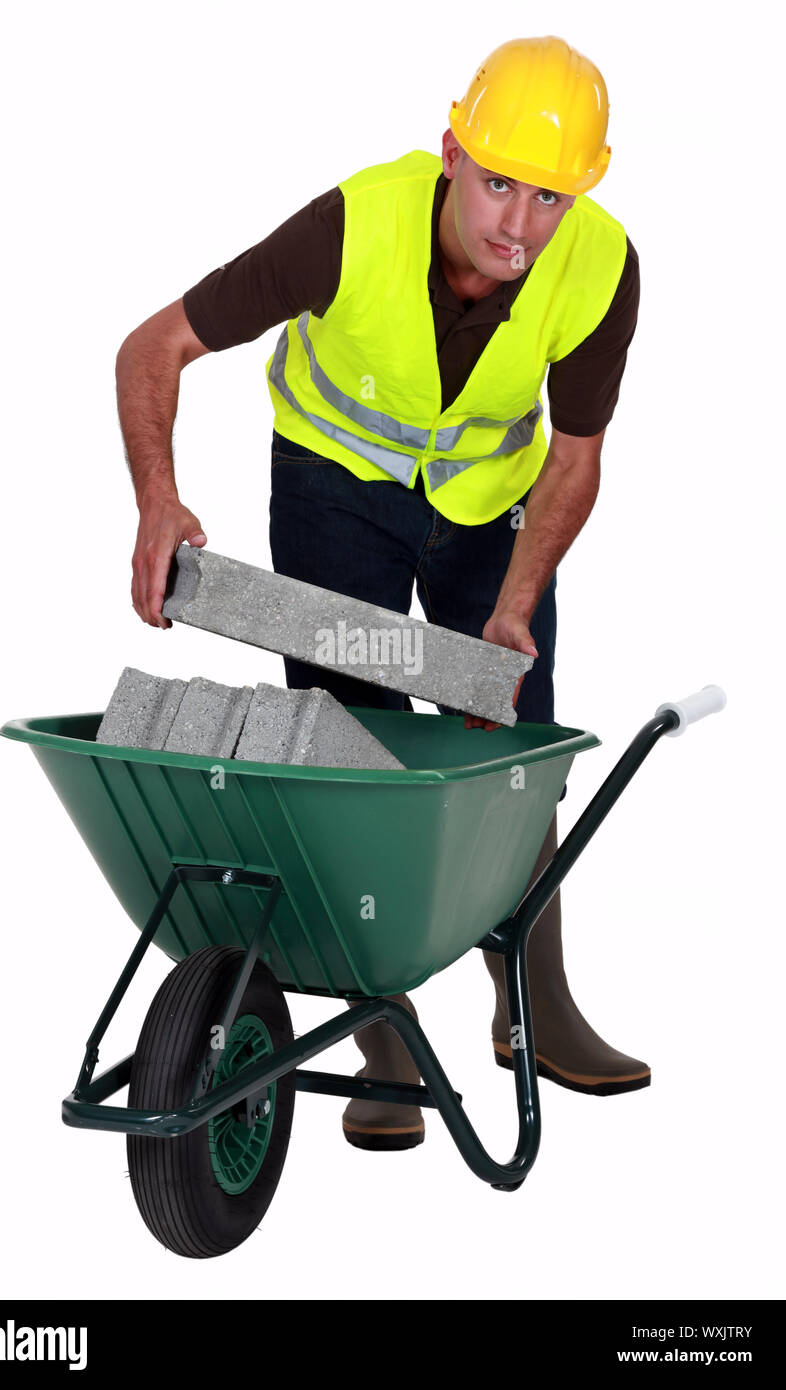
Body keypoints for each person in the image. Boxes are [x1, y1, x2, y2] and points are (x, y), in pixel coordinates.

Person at [116, 35, 650, 1153]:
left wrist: (511, 604)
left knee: (512, 746)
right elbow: (153, 346)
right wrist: (159, 501)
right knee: (348, 743)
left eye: (549, 195)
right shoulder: (350, 226)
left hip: (480, 510)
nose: (518, 223)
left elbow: (573, 455)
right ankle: (383, 1033)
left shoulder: (599, 265)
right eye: (498, 181)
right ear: (451, 151)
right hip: (332, 485)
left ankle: (530, 1005)